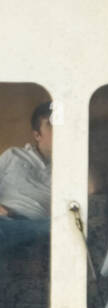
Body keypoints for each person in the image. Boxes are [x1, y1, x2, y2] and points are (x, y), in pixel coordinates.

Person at [0, 102, 52, 254]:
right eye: (51, 125)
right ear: (37, 135)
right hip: (5, 219)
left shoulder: (68, 168)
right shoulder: (14, 154)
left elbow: (93, 187)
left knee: (60, 226)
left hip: (36, 225)